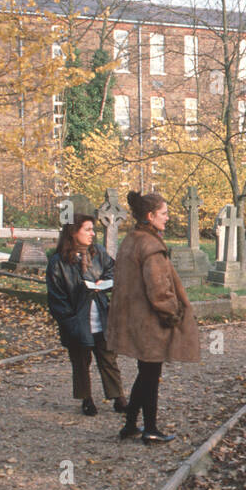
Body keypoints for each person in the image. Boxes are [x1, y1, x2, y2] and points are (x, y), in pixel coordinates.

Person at [106, 190, 201, 444]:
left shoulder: (132, 239)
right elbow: (159, 289)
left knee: (145, 373)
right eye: (164, 213)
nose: (168, 218)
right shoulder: (151, 246)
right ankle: (149, 428)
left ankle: (130, 425)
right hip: (150, 323)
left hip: (133, 320)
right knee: (150, 375)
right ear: (150, 216)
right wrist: (174, 313)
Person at [46, 215, 127, 416]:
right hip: (77, 319)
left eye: (93, 229)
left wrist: (104, 282)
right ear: (74, 232)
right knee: (80, 361)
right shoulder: (58, 263)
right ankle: (86, 398)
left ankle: (118, 397)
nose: (92, 234)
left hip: (100, 314)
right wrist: (70, 321)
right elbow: (56, 298)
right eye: (88, 229)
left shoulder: (98, 252)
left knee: (108, 357)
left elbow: (113, 270)